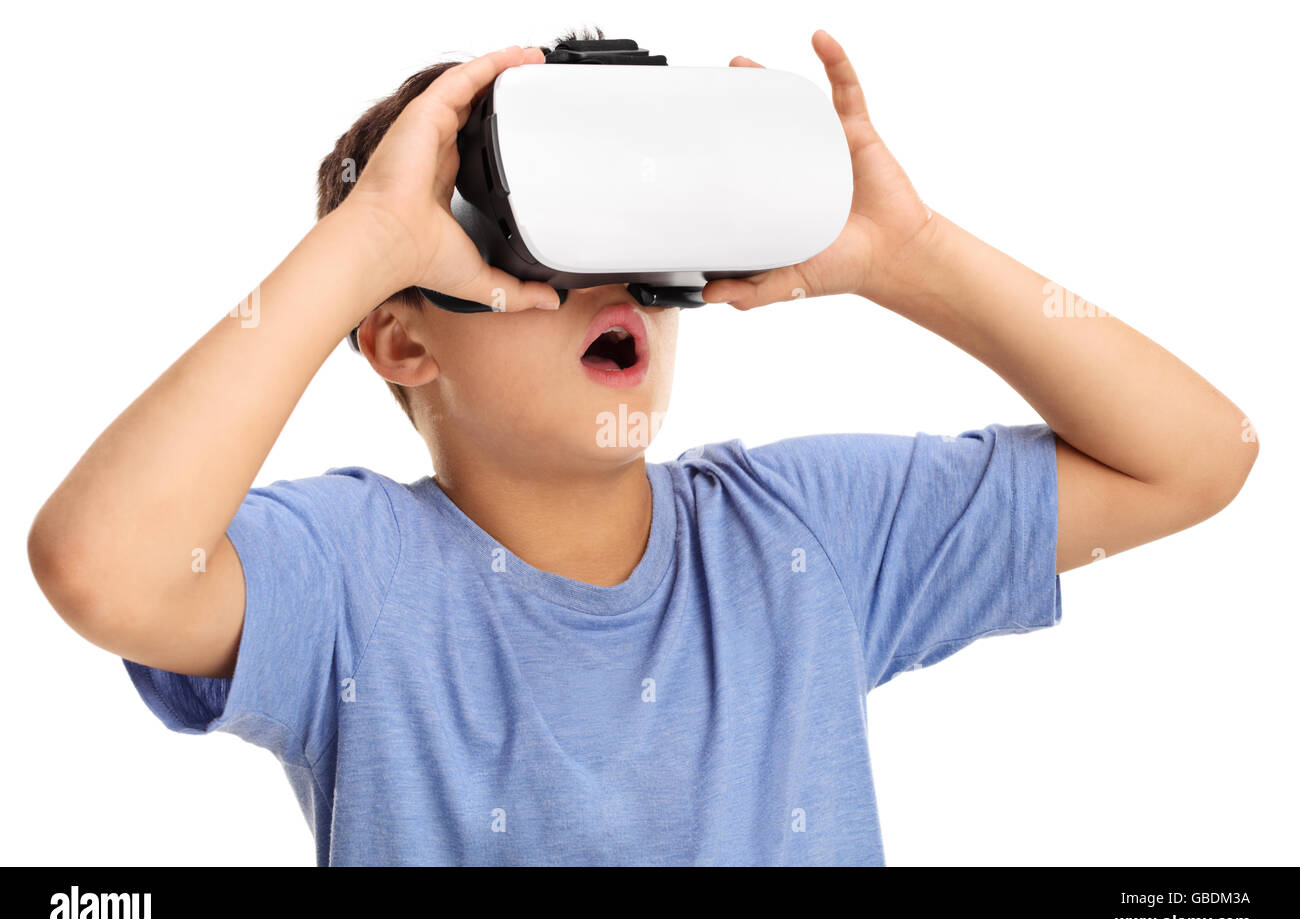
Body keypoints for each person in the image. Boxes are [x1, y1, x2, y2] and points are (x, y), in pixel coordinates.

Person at [27, 29, 1258, 865]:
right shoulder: (350, 577)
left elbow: (1198, 455)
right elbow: (101, 566)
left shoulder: (802, 534)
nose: (611, 282)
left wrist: (909, 252)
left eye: (635, 233)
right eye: (545, 248)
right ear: (404, 345)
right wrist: (364, 243)